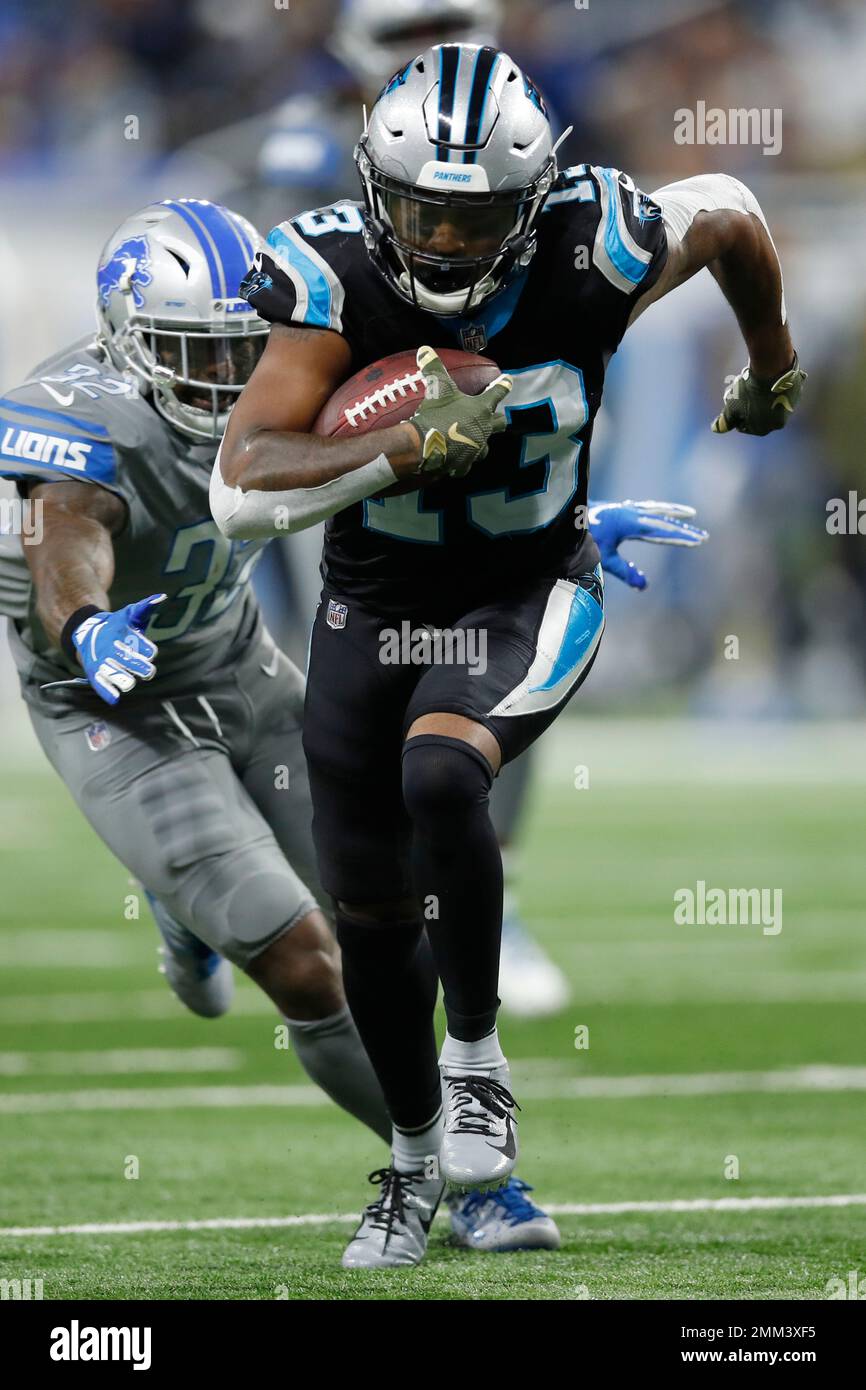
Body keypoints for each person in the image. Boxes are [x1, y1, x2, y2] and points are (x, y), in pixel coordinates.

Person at [211, 40, 802, 1268]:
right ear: (374, 187)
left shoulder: (603, 244)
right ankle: (417, 1160)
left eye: (470, 215)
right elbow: (240, 486)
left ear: (530, 202)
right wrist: (396, 451)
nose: (437, 239)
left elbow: (735, 215)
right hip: (366, 606)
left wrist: (770, 368)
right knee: (365, 906)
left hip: (528, 588)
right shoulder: (327, 273)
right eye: (419, 208)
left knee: (443, 776)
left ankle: (476, 1064)